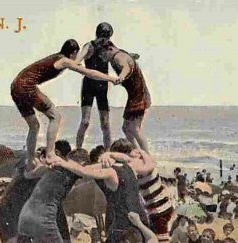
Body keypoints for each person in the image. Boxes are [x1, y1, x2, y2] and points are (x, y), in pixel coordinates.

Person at [10, 39, 119, 164]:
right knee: (55, 116)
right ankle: (50, 154)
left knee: (34, 126)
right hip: (26, 86)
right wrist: (111, 78)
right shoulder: (64, 60)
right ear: (73, 53)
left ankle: (30, 160)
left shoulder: (58, 58)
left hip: (15, 86)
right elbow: (89, 73)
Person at [93, 35, 152, 152]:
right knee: (126, 128)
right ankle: (137, 152)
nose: (103, 59)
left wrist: (121, 77)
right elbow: (128, 61)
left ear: (110, 49)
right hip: (135, 96)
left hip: (139, 96)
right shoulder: (120, 54)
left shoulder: (117, 57)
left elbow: (125, 67)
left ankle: (147, 156)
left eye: (103, 55)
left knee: (135, 128)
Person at [76, 22, 115, 151]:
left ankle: (108, 151)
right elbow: (78, 59)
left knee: (105, 123)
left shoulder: (110, 47)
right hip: (88, 85)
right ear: (98, 35)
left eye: (107, 38)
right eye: (103, 38)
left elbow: (119, 56)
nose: (105, 41)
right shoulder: (89, 46)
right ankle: (78, 149)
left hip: (102, 87)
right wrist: (77, 64)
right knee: (85, 122)